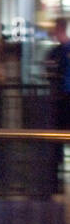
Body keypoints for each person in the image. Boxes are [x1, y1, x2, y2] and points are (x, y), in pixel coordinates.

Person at [44, 17, 70, 198]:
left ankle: (54, 183)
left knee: (56, 140)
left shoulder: (56, 52)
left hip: (61, 100)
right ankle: (54, 182)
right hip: (62, 99)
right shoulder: (57, 51)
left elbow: (51, 74)